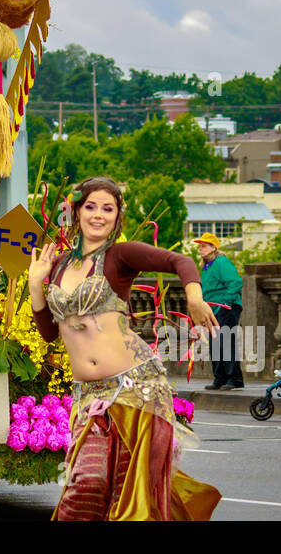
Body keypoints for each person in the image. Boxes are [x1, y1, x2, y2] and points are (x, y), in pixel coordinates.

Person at [28, 176, 221, 521]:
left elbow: (182, 262)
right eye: (90, 207)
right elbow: (48, 335)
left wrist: (194, 298)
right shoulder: (57, 266)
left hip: (135, 391)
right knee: (85, 486)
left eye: (108, 208)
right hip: (88, 397)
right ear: (75, 212)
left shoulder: (120, 255)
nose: (98, 215)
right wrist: (35, 286)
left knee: (127, 495)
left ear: (118, 217)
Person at [195, 232, 244, 391]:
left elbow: (236, 282)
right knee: (215, 343)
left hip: (225, 307)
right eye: (200, 246)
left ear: (213, 247)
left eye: (204, 246)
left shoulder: (221, 261)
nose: (200, 249)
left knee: (226, 341)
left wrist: (226, 302)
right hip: (212, 308)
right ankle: (220, 377)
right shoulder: (207, 266)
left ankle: (232, 378)